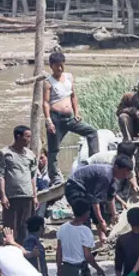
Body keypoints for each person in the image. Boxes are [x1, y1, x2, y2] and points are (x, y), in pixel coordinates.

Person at [42, 51, 99, 185]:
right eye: (57, 66)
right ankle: (55, 177)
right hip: (56, 119)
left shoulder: (69, 77)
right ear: (51, 66)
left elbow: (73, 96)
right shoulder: (48, 82)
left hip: (70, 118)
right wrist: (48, 120)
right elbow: (45, 103)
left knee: (92, 132)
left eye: (62, 66)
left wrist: (77, 112)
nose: (60, 69)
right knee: (53, 150)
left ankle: (93, 162)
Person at [64, 156, 134, 241]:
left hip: (86, 191)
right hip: (74, 187)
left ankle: (102, 237)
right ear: (116, 167)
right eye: (124, 173)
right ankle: (83, 243)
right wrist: (101, 221)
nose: (125, 176)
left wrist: (113, 214)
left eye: (127, 173)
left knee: (99, 209)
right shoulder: (106, 175)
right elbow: (95, 201)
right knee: (84, 216)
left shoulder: (112, 177)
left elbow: (110, 196)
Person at [0, 126, 39, 242]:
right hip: (11, 196)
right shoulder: (5, 153)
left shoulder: (31, 155)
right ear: (18, 136)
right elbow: (1, 176)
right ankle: (10, 248)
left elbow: (33, 177)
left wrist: (35, 196)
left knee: (25, 226)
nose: (29, 139)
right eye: (27, 137)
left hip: (27, 195)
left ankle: (24, 248)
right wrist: (3, 195)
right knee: (9, 226)